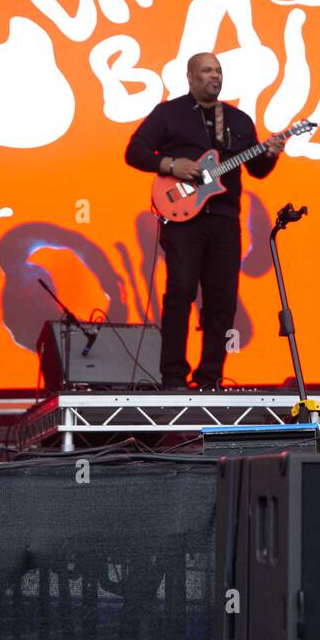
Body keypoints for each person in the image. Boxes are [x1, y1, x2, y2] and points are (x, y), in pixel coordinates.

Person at [125, 53, 287, 389]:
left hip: (225, 219)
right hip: (183, 221)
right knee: (180, 290)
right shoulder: (168, 113)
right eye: (207, 71)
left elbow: (256, 170)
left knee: (223, 299)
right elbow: (135, 151)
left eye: (219, 71)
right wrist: (171, 165)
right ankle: (173, 376)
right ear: (190, 77)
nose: (215, 76)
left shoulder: (239, 120)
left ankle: (210, 376)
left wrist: (270, 154)